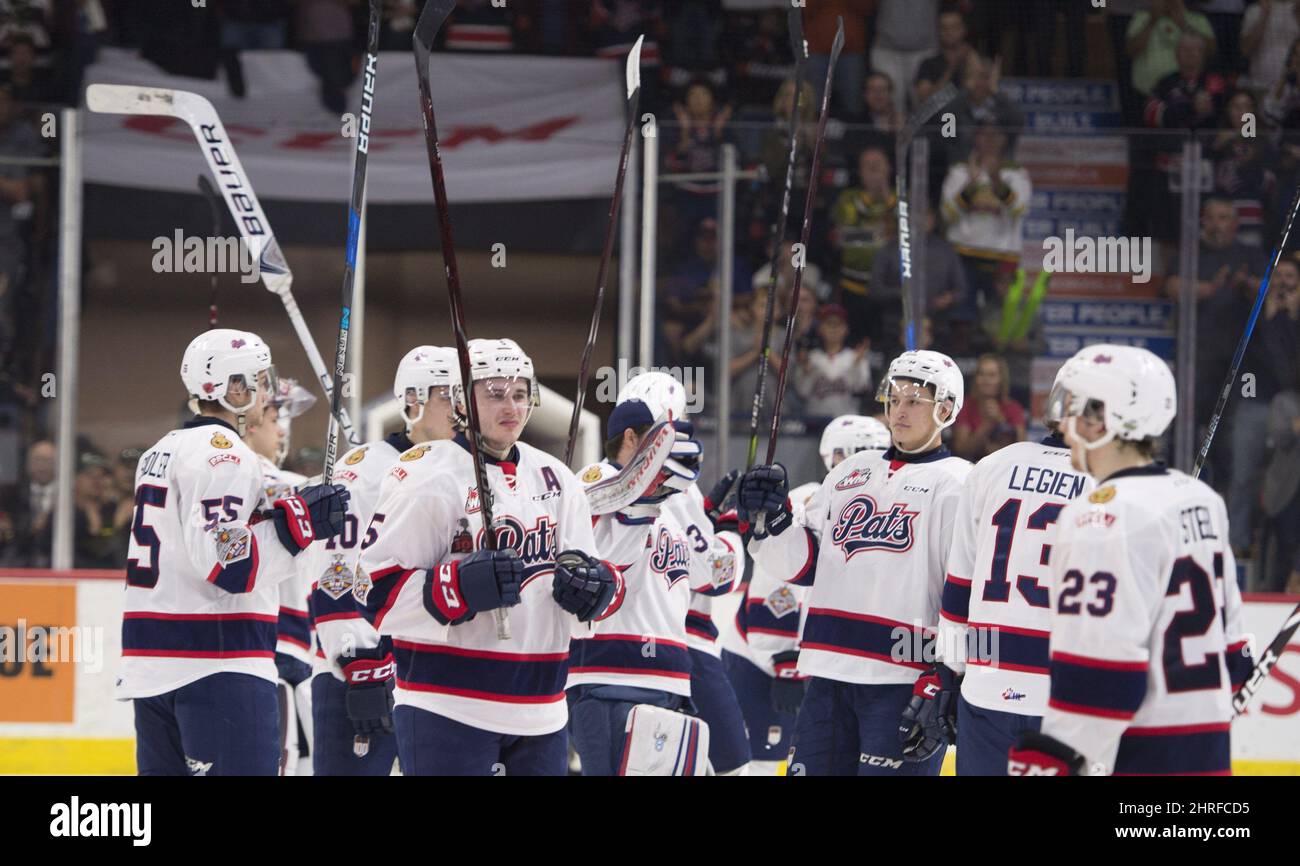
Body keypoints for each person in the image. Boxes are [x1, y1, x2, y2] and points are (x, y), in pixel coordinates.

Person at [356, 338, 622, 776]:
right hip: (447, 707)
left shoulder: (558, 478)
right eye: (495, 393)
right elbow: (372, 590)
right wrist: (454, 588)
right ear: (463, 399)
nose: (511, 407)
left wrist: (596, 590)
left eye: (520, 394)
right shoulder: (426, 475)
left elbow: (593, 580)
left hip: (543, 710)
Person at [1008, 345, 1254, 776]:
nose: (1063, 424)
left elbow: (1103, 674)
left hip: (1136, 756)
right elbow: (1236, 657)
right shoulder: (1201, 498)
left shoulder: (1095, 517)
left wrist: (1054, 756)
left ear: (1103, 419)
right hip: (1207, 755)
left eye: (1073, 409)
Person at [119, 328, 350, 775]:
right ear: (234, 388)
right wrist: (301, 525)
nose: (267, 396)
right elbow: (229, 565)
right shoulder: (226, 454)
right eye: (261, 382)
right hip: (217, 664)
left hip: (152, 668)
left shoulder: (159, 452)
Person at [739, 350, 972, 775]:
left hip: (903, 682)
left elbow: (966, 589)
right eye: (894, 398)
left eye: (914, 401)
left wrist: (946, 675)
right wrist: (770, 522)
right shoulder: (850, 473)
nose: (899, 411)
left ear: (946, 409)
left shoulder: (957, 483)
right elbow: (807, 564)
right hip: (827, 673)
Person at [918, 367, 1094, 775]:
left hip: (987, 688)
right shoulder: (1110, 484)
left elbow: (959, 586)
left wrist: (948, 672)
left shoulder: (993, 466)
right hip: (1065, 696)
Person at [567, 374, 743, 775]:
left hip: (672, 680)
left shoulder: (676, 499)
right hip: (607, 678)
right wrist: (647, 497)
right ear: (631, 438)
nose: (677, 449)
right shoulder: (590, 484)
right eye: (665, 437)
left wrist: (725, 525)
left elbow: (714, 577)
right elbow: (599, 564)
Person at [306, 346, 461, 776]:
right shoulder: (365, 470)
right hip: (363, 673)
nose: (459, 408)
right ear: (412, 400)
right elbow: (334, 571)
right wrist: (358, 661)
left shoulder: (468, 472)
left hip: (436, 677)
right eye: (447, 395)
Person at [721, 414, 890, 774]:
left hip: (804, 663)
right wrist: (784, 662)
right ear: (837, 456)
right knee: (760, 765)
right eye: (863, 451)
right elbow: (775, 580)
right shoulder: (811, 497)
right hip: (761, 660)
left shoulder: (876, 506)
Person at [616, 371, 750, 778]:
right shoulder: (673, 485)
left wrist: (704, 519)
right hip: (684, 649)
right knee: (734, 765)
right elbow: (716, 576)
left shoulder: (601, 479)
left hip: (625, 653)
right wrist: (727, 529)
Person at [241, 377, 315, 775]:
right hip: (276, 652)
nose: (283, 430)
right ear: (250, 423)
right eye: (275, 418)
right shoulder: (272, 483)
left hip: (282, 653)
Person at [940, 123, 1032, 320]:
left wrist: (996, 181)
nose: (989, 140)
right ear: (975, 138)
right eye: (984, 134)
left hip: (1002, 257)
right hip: (963, 254)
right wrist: (971, 186)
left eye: (995, 134)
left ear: (1004, 139)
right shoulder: (959, 172)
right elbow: (947, 213)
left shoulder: (1017, 174)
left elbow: (1019, 209)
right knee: (960, 319)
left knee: (998, 320)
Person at [793, 303, 872, 420]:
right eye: (829, 324)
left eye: (838, 324)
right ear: (820, 328)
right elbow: (802, 392)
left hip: (847, 420)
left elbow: (860, 388)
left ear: (846, 329)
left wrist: (856, 364)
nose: (834, 329)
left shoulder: (855, 357)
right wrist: (807, 370)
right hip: (815, 421)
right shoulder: (811, 358)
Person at [952, 354, 1027, 463]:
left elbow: (1021, 448)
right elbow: (961, 448)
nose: (986, 380)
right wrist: (987, 424)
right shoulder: (966, 406)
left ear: (1001, 379)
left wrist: (1001, 421)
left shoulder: (1013, 408)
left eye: (992, 375)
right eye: (981, 374)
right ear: (975, 378)